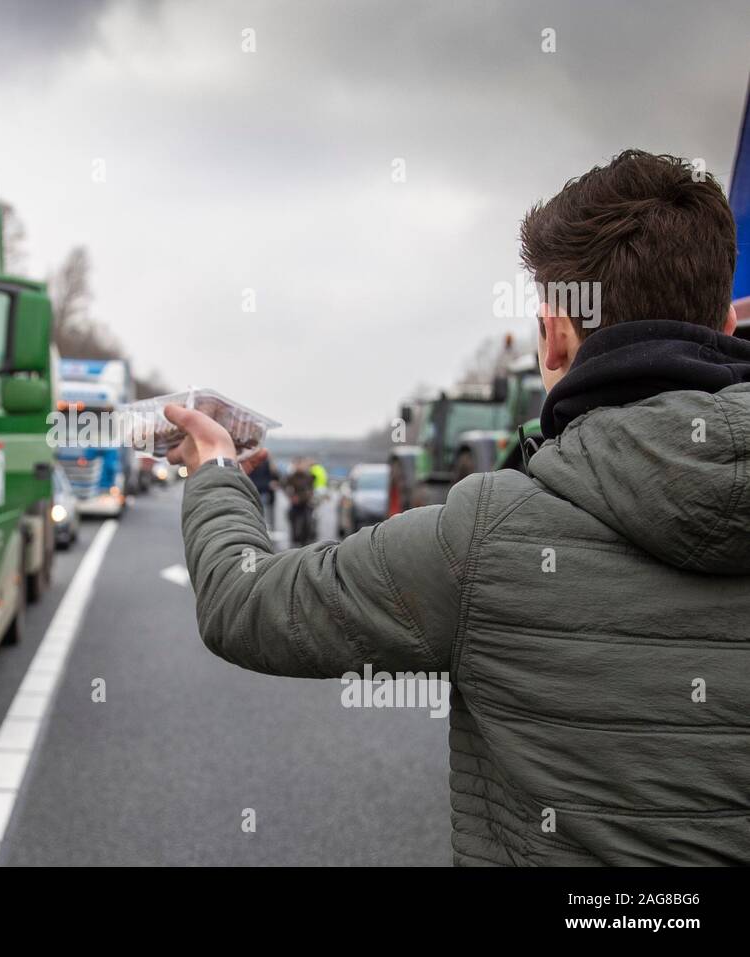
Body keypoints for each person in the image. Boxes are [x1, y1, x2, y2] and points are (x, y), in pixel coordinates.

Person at [167, 150, 750, 865]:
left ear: (554, 334)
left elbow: (244, 600)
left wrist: (217, 468)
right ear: (728, 321)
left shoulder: (488, 535)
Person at [281, 457, 315, 546]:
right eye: (298, 464)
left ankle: (306, 542)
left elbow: (311, 490)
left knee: (307, 523)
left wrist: (307, 497)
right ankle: (294, 542)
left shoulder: (309, 476)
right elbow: (284, 487)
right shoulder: (291, 477)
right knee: (294, 523)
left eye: (302, 464)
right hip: (295, 504)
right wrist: (291, 497)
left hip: (306, 503)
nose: (300, 466)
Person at [245, 448, 279, 529]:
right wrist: (268, 484)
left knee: (269, 515)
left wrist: (273, 468)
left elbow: (276, 479)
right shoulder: (254, 465)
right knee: (262, 515)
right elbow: (253, 481)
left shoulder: (269, 465)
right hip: (260, 493)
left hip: (268, 495)